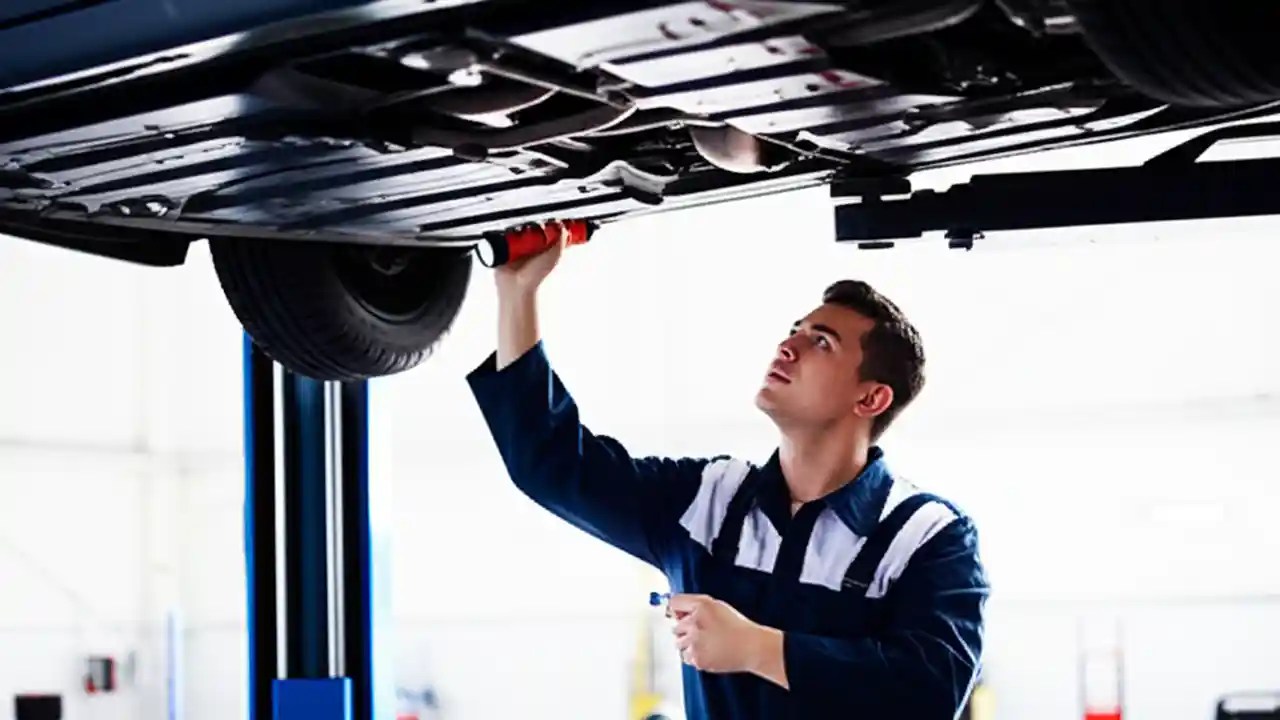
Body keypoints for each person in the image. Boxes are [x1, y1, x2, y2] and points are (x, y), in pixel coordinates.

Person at [466, 221, 989, 719]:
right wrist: (518, 294)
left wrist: (759, 648)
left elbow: (929, 691)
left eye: (821, 342)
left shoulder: (925, 536)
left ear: (871, 397)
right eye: (795, 331)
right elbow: (555, 466)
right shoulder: (711, 499)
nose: (788, 346)